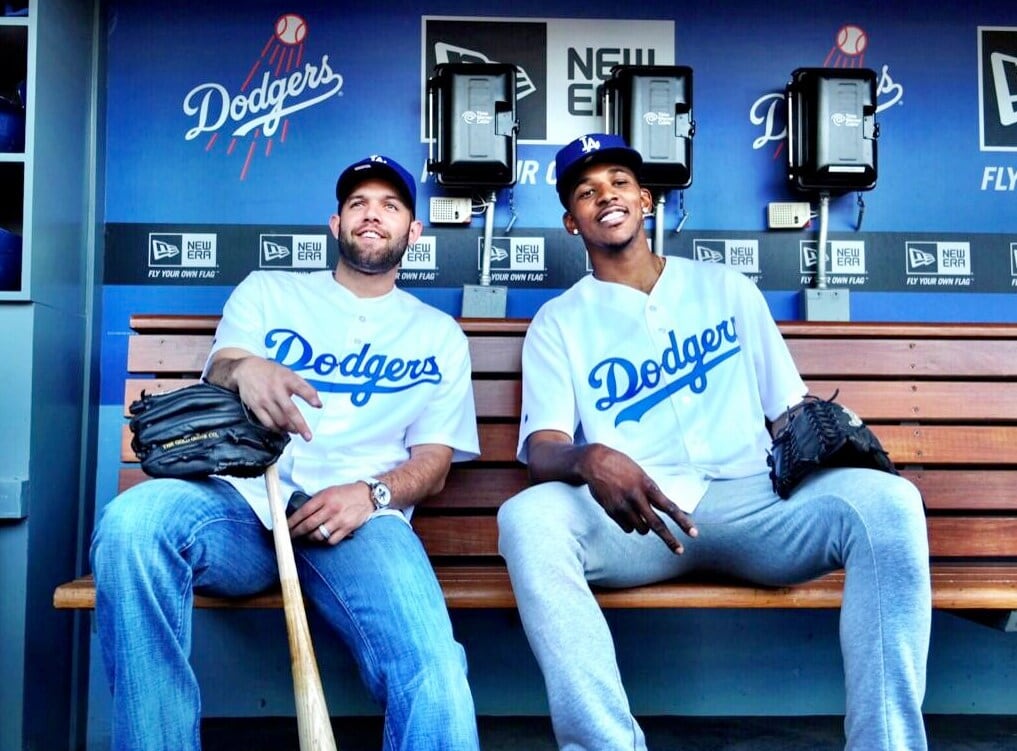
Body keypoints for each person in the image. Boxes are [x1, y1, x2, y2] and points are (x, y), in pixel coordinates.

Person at [496, 133, 931, 751]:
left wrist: (833, 453)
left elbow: (788, 410)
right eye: (587, 192)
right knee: (527, 519)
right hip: (639, 521)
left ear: (646, 200)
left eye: (620, 182)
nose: (606, 196)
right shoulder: (558, 322)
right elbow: (543, 450)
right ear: (571, 222)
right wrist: (588, 457)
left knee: (890, 505)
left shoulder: (725, 288)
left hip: (756, 505)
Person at [91, 154, 482, 751]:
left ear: (413, 231)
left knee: (433, 666)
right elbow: (221, 366)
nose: (372, 215)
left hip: (360, 524)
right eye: (358, 204)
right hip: (245, 503)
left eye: (390, 205)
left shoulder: (438, 335)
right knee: (131, 525)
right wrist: (246, 368)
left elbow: (432, 465)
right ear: (335, 224)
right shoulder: (270, 291)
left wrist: (371, 495)